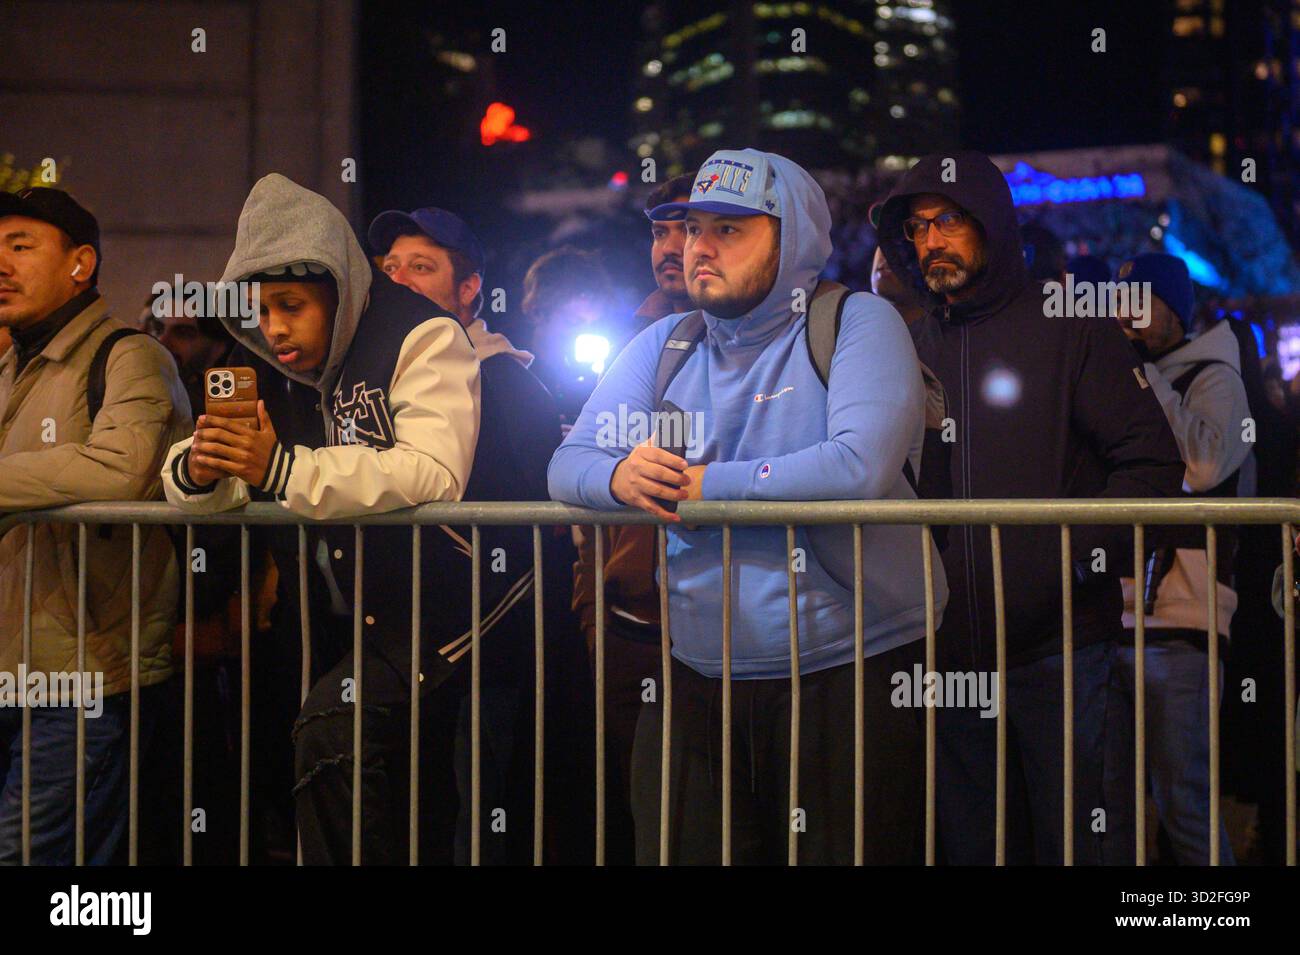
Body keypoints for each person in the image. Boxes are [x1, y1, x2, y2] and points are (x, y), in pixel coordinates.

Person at [550, 148, 947, 865]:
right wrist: (622, 480)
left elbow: (858, 466)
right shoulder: (666, 343)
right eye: (692, 228)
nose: (698, 247)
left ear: (791, 236)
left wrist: (701, 488)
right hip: (697, 673)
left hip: (852, 666)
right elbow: (567, 464)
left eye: (730, 229)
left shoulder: (857, 322)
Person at [161, 173, 485, 865]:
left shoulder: (423, 332)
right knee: (318, 769)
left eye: (290, 305)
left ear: (339, 289)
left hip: (439, 623)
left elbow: (434, 471)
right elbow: (216, 476)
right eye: (260, 308)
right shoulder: (275, 367)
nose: (273, 327)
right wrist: (197, 471)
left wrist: (282, 471)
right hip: (331, 628)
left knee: (385, 781)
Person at [876, 151, 1185, 865]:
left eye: (948, 219)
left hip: (1062, 652)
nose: (930, 242)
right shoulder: (907, 345)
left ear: (990, 222)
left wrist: (1068, 559)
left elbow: (1153, 464)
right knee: (975, 848)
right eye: (917, 228)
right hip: (948, 660)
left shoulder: (1069, 323)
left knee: (1080, 844)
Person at [369, 205, 591, 864]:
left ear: (470, 289)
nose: (400, 280)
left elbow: (529, 536)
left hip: (491, 658)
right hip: (412, 653)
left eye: (422, 267)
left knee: (483, 821)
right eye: (389, 267)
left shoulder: (505, 382)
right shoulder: (384, 377)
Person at [0, 186, 191, 864]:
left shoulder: (129, 356)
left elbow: (120, 469)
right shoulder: (12, 359)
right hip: (14, 663)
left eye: (21, 247)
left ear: (81, 264)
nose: (2, 264)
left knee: (34, 857)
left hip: (84, 674)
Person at [1104, 253, 1249, 865]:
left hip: (1181, 625)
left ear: (1176, 310)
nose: (1128, 311)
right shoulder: (1129, 375)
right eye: (1121, 297)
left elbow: (1206, 466)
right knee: (1117, 804)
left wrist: (1144, 376)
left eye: (1143, 298)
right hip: (1113, 619)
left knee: (1183, 799)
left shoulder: (1214, 376)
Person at [570, 173, 693, 863]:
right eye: (658, 231)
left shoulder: (770, 335)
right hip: (629, 627)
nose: (670, 247)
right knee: (645, 815)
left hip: (735, 630)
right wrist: (592, 609)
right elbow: (580, 478)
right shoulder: (630, 341)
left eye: (687, 227)